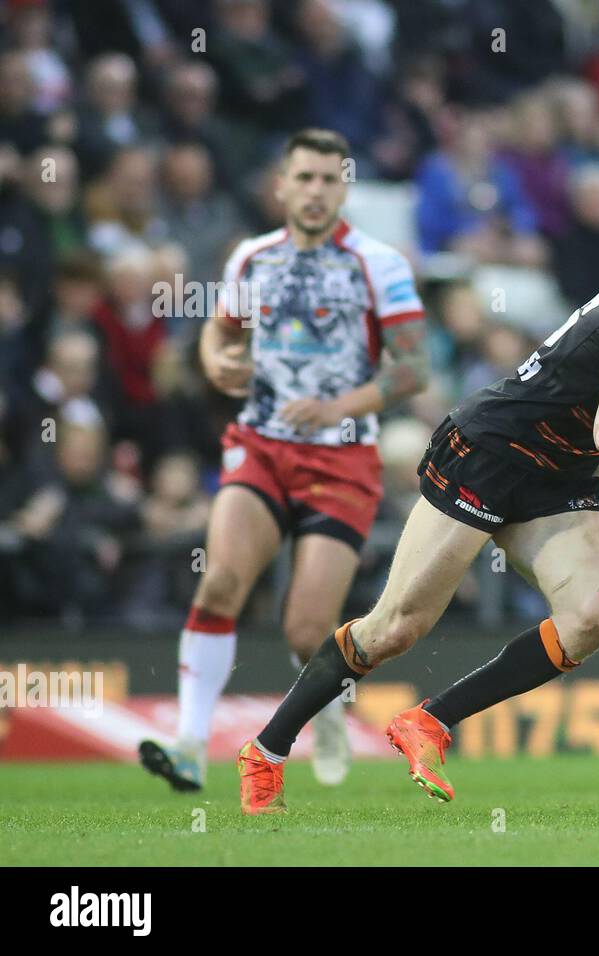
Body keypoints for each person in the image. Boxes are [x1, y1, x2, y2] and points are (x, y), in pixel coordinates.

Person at [236, 160, 599, 814]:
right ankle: (267, 751)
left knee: (594, 617)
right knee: (394, 629)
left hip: (558, 471)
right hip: (492, 453)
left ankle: (430, 721)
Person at [139, 129, 430, 792]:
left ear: (344, 188)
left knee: (305, 630)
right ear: (282, 186)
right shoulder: (252, 257)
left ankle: (326, 711)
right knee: (220, 583)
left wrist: (338, 406)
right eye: (304, 178)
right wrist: (216, 359)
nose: (315, 191)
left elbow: (413, 367)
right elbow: (220, 331)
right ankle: (189, 746)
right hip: (262, 446)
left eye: (329, 179)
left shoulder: (377, 263)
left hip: (341, 459)